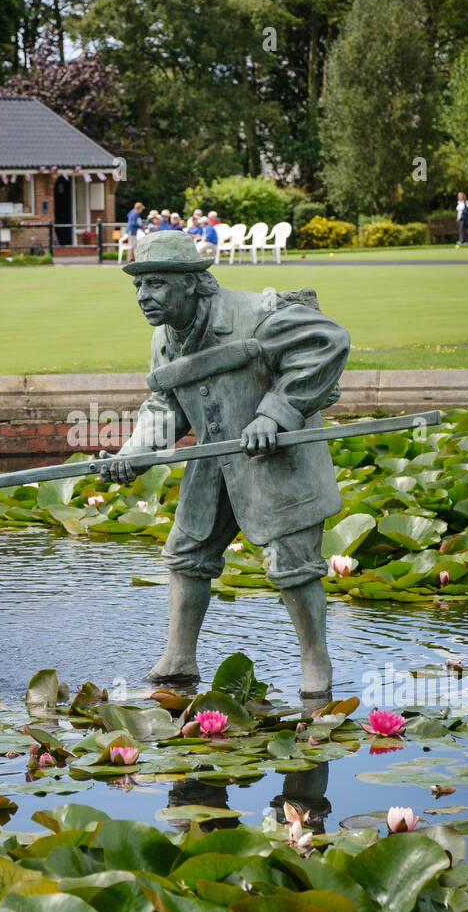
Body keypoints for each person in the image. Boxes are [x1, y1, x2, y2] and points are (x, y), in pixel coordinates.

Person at [103, 232, 350, 699]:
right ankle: (179, 656)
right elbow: (165, 408)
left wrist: (275, 412)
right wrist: (132, 454)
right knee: (186, 555)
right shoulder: (163, 340)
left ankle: (315, 658)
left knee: (294, 564)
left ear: (193, 282)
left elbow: (329, 341)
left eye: (155, 284)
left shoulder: (255, 315)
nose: (143, 297)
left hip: (276, 463)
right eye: (138, 286)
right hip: (214, 464)